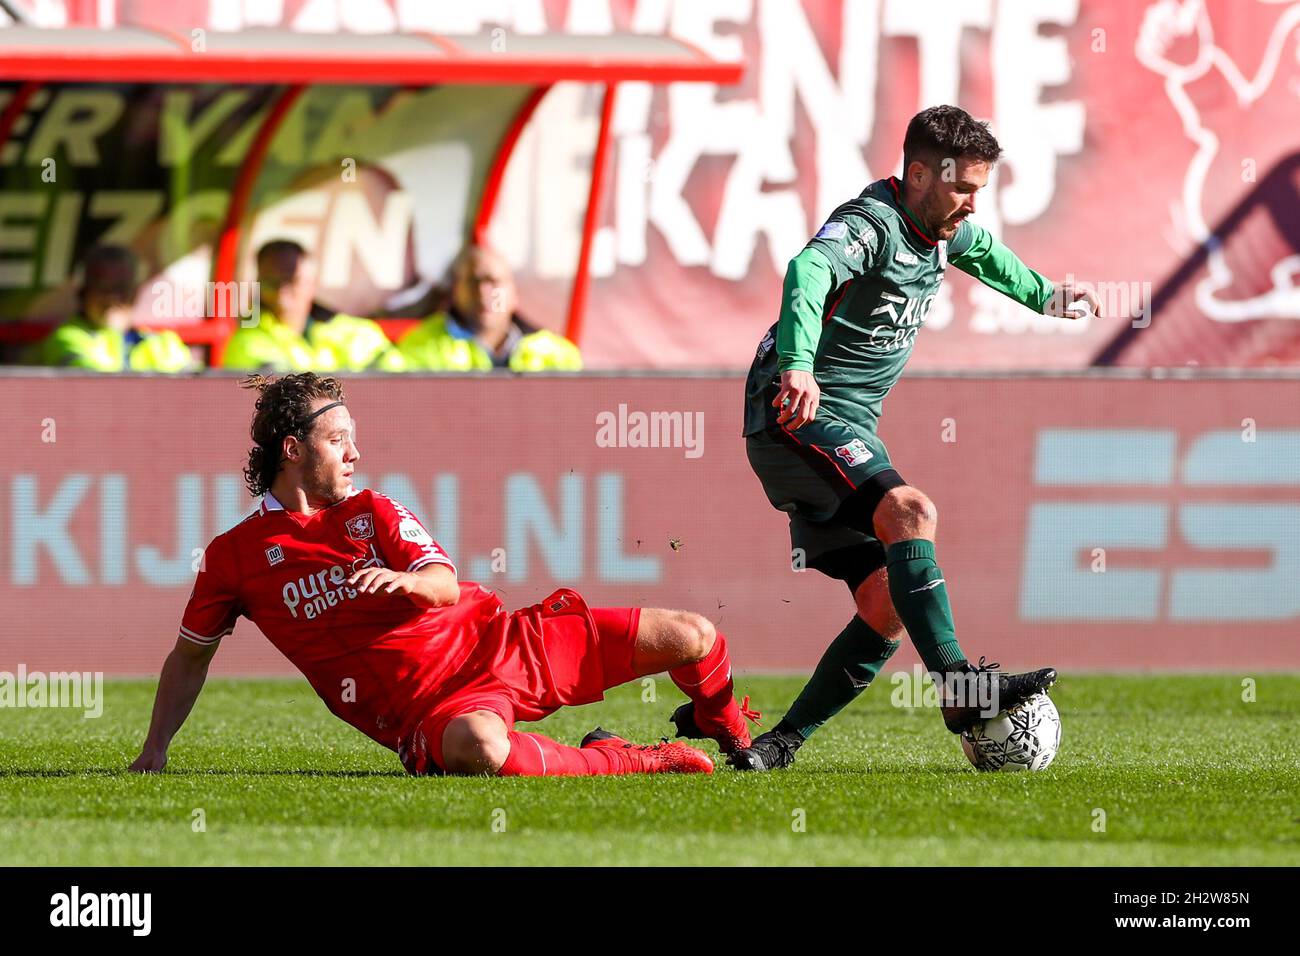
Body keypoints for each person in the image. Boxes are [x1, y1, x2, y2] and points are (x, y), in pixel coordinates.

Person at [129, 373, 758, 777]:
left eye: (354, 439)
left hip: (504, 642)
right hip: (434, 709)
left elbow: (443, 582)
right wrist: (156, 748)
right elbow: (190, 657)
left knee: (693, 635)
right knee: (481, 749)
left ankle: (733, 737)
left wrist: (407, 584)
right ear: (292, 450)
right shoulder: (233, 556)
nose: (355, 453)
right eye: (338, 440)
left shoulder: (371, 510)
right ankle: (625, 758)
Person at [727, 105, 1099, 771]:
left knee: (886, 606)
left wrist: (1047, 296)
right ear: (921, 174)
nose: (972, 203)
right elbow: (807, 273)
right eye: (964, 188)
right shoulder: (870, 226)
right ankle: (959, 687)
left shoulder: (947, 232)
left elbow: (988, 256)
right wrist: (799, 365)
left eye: (981, 189)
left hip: (842, 427)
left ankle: (778, 746)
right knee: (912, 511)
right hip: (792, 410)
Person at [222, 240, 406, 372]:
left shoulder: (355, 331)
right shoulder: (245, 342)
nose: (282, 289)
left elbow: (396, 382)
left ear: (313, 282)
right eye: (271, 281)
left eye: (291, 279)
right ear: (259, 285)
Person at [398, 244, 582, 372]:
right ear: (455, 291)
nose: (483, 292)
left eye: (493, 282)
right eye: (473, 282)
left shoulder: (556, 355)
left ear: (514, 294)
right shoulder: (419, 348)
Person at [38, 245, 193, 372]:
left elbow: (195, 391)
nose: (112, 298)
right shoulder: (66, 339)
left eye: (121, 289)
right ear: (83, 293)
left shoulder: (163, 342)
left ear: (135, 293)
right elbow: (95, 392)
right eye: (103, 289)